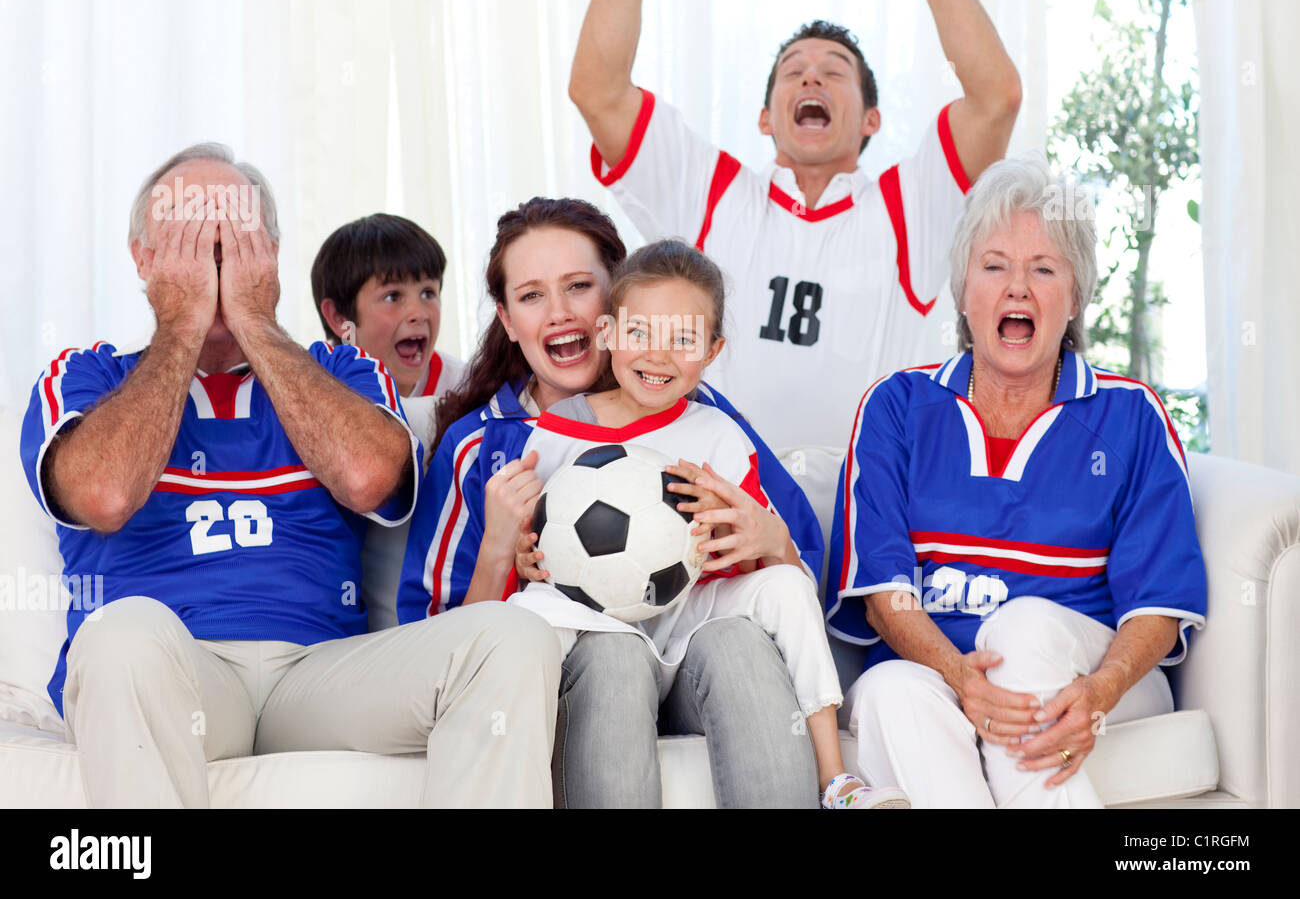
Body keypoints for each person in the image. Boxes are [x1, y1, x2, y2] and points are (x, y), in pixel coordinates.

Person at [20, 143, 560, 808]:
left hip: (316, 675)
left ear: (269, 255)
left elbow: (368, 479)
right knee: (118, 636)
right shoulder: (87, 374)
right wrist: (182, 329)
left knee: (512, 637)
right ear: (143, 259)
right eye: (190, 237)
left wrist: (254, 322)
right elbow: (103, 494)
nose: (214, 259)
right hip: (170, 670)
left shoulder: (345, 370)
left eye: (233, 238)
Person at [569, 0, 1023, 450]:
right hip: (713, 503)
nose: (812, 74)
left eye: (834, 71)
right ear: (765, 118)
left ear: (870, 121)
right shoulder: (713, 191)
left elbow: (996, 96)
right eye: (793, 71)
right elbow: (596, 90)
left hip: (864, 507)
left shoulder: (908, 204)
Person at [396, 197, 825, 808]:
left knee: (737, 642)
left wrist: (766, 539)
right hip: (581, 674)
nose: (561, 314)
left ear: (618, 298)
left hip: (690, 669)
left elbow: (798, 573)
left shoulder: (701, 419)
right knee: (615, 657)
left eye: (578, 286)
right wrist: (500, 554)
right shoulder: (481, 446)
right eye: (532, 296)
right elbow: (432, 653)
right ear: (509, 320)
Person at [825, 153, 1208, 808]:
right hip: (934, 665)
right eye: (995, 265)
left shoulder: (1128, 416)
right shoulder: (897, 406)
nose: (1017, 288)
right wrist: (959, 676)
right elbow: (884, 595)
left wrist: (1100, 691)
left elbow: (1159, 607)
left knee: (1022, 628)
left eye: (1044, 269)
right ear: (964, 291)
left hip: (1085, 670)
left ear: (1076, 296)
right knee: (891, 692)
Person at [510, 239, 909, 809]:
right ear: (609, 334)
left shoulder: (719, 434)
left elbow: (747, 552)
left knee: (787, 584)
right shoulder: (557, 432)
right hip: (604, 631)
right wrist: (528, 560)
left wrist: (765, 541)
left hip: (694, 622)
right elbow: (535, 541)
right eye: (640, 332)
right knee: (527, 614)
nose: (659, 355)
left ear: (713, 350)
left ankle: (835, 777)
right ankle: (511, 770)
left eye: (684, 339)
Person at [311, 213, 467, 406]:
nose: (418, 314)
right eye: (392, 296)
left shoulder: (464, 389)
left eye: (428, 293)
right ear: (339, 318)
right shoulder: (311, 390)